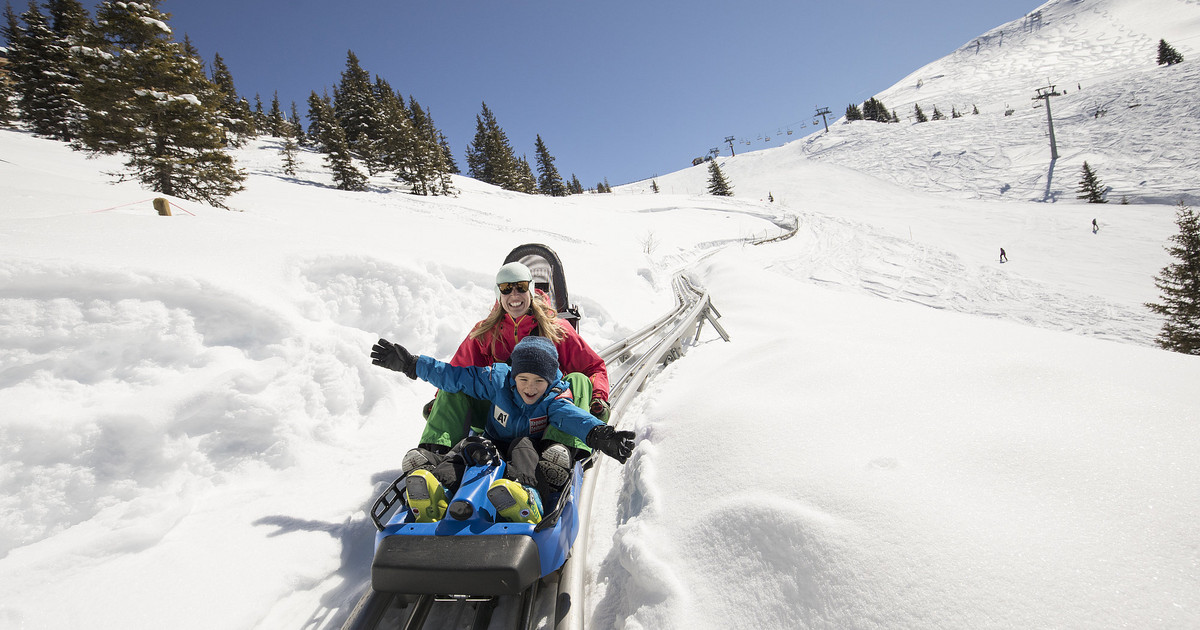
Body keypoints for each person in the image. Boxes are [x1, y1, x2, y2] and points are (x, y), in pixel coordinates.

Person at [371, 335, 635, 525]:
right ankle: (436, 491)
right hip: (493, 443)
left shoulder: (553, 398)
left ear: (550, 379)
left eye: (538, 381)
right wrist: (412, 365)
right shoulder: (496, 381)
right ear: (513, 376)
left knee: (522, 446)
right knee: (464, 452)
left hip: (530, 450)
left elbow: (574, 417)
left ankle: (527, 499)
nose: (530, 388)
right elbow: (454, 376)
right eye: (523, 380)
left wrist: (603, 434)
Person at [418, 262, 610, 459]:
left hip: (546, 416)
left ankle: (560, 450)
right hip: (498, 417)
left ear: (531, 289)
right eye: (506, 288)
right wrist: (439, 403)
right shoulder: (485, 333)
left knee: (579, 379)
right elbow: (457, 371)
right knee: (453, 386)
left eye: (521, 287)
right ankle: (434, 452)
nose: (514, 294)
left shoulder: (557, 329)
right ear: (498, 293)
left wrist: (597, 398)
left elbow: (593, 368)